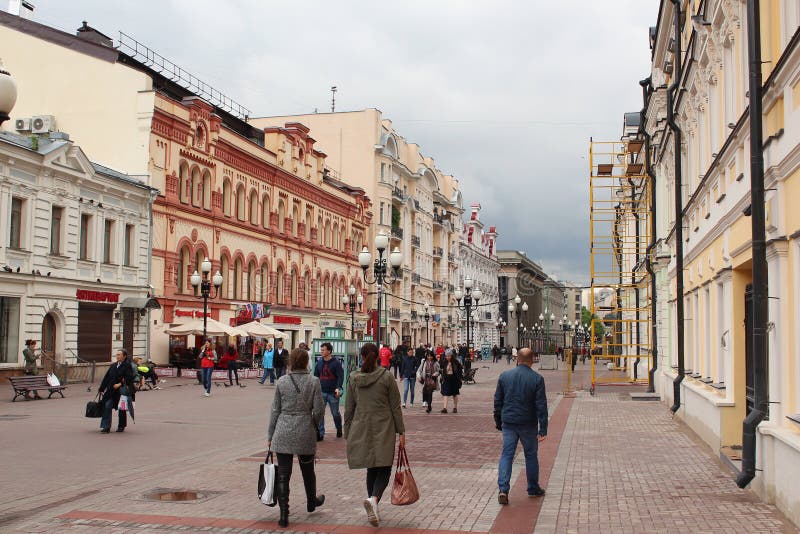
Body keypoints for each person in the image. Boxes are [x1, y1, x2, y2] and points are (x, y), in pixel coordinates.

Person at [344, 343, 405, 527]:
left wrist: (347, 432)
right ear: (378, 356)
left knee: (371, 467)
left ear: (361, 357)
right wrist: (401, 431)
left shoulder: (354, 378)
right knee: (384, 467)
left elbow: (349, 408)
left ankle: (373, 504)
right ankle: (374, 500)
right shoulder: (386, 377)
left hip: (362, 426)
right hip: (384, 427)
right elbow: (395, 407)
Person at [267, 347, 325, 528]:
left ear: (290, 362)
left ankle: (284, 513)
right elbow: (320, 409)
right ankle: (311, 501)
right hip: (305, 431)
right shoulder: (313, 381)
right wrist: (312, 422)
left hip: (283, 430)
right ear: (306, 362)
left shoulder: (282, 382)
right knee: (308, 470)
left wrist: (270, 434)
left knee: (284, 474)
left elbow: (275, 410)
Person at [494, 348, 548, 505]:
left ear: (517, 359)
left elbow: (498, 400)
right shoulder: (537, 379)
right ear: (532, 360)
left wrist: (498, 420)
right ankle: (532, 487)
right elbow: (541, 405)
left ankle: (503, 489)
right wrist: (543, 428)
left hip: (509, 422)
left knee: (507, 455)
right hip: (528, 423)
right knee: (530, 455)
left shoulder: (505, 376)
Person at [98, 349, 135, 433]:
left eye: (119, 354)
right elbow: (107, 377)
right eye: (117, 354)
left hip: (121, 392)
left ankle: (121, 426)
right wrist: (101, 388)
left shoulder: (127, 366)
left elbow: (129, 378)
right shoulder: (113, 365)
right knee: (107, 406)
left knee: (121, 409)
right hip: (111, 391)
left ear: (124, 356)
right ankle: (106, 426)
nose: (117, 356)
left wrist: (120, 384)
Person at [313, 342, 344, 440]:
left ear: (329, 351)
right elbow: (316, 376)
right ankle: (320, 433)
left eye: (323, 350)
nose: (321, 351)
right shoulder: (319, 362)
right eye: (321, 350)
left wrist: (338, 387)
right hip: (321, 392)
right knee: (320, 413)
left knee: (335, 413)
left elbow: (340, 376)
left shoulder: (336, 363)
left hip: (333, 393)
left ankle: (339, 428)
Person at [439, 348, 463, 413]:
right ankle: (445, 408)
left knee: (454, 394)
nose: (448, 357)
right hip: (446, 378)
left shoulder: (455, 362)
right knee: (445, 393)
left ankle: (455, 407)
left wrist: (460, 377)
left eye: (449, 356)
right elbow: (440, 369)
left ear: (452, 356)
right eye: (447, 356)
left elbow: (460, 369)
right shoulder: (444, 362)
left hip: (454, 379)